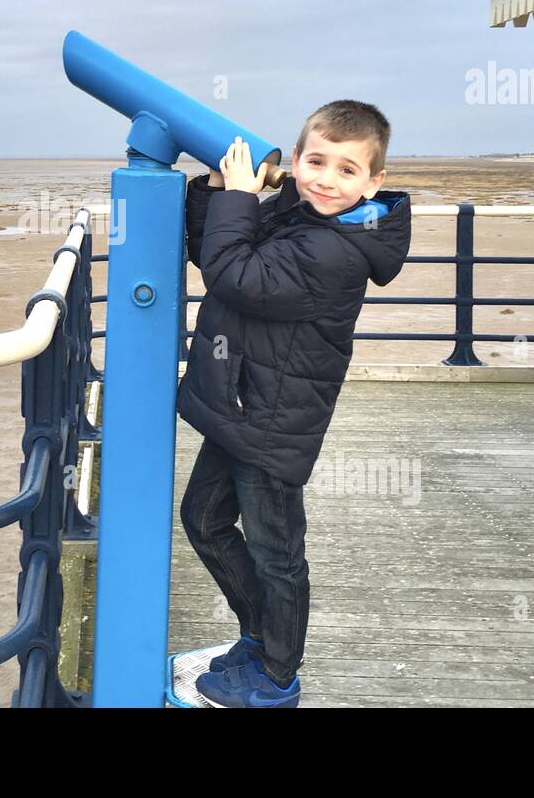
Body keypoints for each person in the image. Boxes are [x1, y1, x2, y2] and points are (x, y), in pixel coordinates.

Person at [176, 101, 412, 708]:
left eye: (346, 170)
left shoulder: (336, 252)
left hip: (277, 423)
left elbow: (236, 274)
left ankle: (278, 677)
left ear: (373, 183)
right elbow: (218, 248)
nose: (326, 180)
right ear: (297, 158)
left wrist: (237, 198)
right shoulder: (301, 216)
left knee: (278, 555)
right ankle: (258, 636)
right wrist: (215, 189)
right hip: (250, 408)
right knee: (203, 520)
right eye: (315, 161)